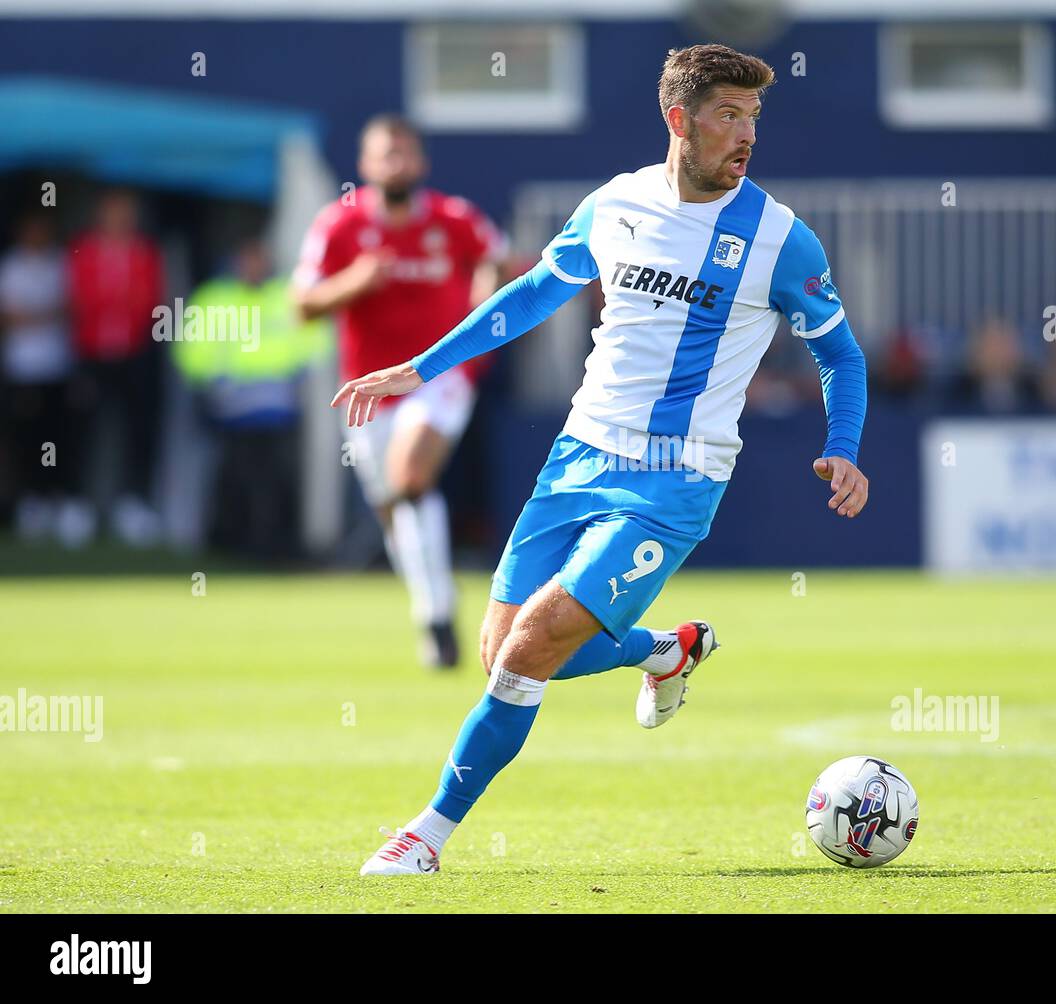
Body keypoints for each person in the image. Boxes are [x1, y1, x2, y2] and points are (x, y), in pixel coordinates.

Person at [332, 44, 869, 877]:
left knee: (528, 652)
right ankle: (664, 649)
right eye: (729, 114)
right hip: (578, 455)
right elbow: (531, 296)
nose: (746, 134)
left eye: (754, 117)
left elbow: (841, 355)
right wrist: (419, 368)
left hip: (677, 478)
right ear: (678, 120)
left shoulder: (779, 240)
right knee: (500, 648)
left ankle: (426, 835)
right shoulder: (616, 204)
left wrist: (842, 449)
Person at [294, 114, 506, 668]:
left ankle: (437, 624)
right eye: (386, 154)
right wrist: (355, 282)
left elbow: (501, 263)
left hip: (438, 378)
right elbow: (303, 305)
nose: (397, 163)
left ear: (422, 162)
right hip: (367, 389)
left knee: (411, 479)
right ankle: (433, 605)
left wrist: (481, 309)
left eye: (406, 153)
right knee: (394, 505)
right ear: (365, 165)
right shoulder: (338, 226)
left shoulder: (453, 217)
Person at [176, 239, 331, 559]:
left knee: (274, 477)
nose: (254, 265)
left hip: (278, 407)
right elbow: (190, 351)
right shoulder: (213, 298)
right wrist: (213, 383)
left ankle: (273, 543)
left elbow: (316, 343)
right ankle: (228, 541)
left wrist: (295, 375)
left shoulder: (288, 297)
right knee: (233, 475)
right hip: (231, 407)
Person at [65, 189, 165, 545]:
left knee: (136, 429)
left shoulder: (143, 252)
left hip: (133, 354)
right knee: (83, 429)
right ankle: (77, 505)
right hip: (90, 354)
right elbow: (79, 298)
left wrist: (117, 305)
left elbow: (147, 300)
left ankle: (132, 503)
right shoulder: (85, 250)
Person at [0, 212, 82, 543]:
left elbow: (71, 308)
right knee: (25, 439)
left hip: (56, 368)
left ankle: (55, 501)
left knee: (57, 437)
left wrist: (34, 314)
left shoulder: (60, 265)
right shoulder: (11, 266)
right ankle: (29, 503)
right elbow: (9, 317)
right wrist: (45, 314)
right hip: (22, 369)